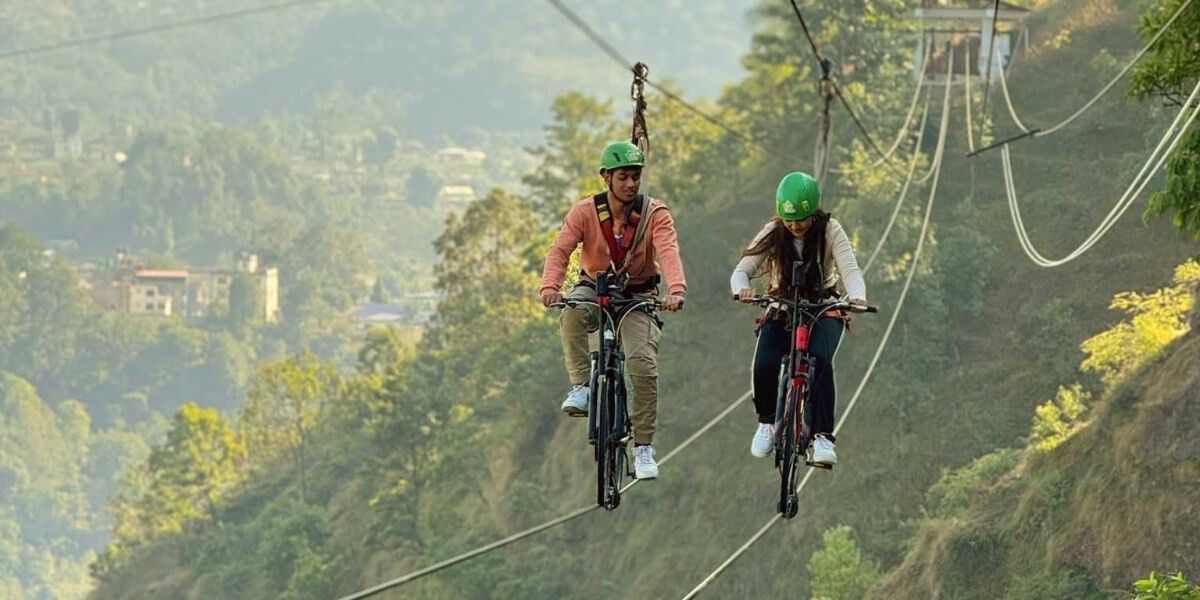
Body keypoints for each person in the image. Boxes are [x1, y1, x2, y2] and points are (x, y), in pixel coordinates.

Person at [540, 141, 687, 480]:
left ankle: (643, 447)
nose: (631, 184)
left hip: (639, 296)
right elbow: (560, 250)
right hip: (594, 287)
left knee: (642, 364)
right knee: (573, 313)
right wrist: (550, 286)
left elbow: (668, 251)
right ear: (606, 177)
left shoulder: (654, 214)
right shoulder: (584, 212)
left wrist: (675, 290)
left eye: (636, 176)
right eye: (623, 177)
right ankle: (581, 386)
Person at [731, 171, 867, 467]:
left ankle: (821, 437)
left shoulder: (831, 230)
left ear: (814, 212)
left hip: (823, 308)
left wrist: (856, 297)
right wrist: (742, 289)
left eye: (801, 219)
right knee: (765, 362)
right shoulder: (773, 231)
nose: (794, 226)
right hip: (783, 306)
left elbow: (850, 270)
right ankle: (767, 421)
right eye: (789, 219)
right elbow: (742, 269)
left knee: (819, 361)